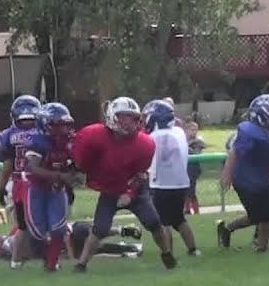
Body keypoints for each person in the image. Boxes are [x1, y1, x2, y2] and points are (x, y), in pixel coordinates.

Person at [71, 97, 177, 272]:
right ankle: (81, 264)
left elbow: (141, 174)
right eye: (124, 117)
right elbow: (80, 159)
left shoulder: (144, 143)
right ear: (113, 116)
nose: (129, 122)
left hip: (134, 187)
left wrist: (130, 193)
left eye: (133, 118)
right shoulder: (95, 135)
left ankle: (167, 255)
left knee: (153, 222)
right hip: (110, 189)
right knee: (100, 228)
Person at [217, 94, 269, 252]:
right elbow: (234, 152)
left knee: (267, 214)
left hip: (263, 177)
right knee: (262, 215)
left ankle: (260, 246)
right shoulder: (248, 131)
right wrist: (227, 174)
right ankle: (230, 230)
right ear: (263, 113)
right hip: (245, 178)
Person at [22, 102, 77, 272]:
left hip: (56, 189)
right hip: (36, 188)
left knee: (58, 229)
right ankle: (47, 257)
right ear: (44, 124)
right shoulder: (37, 140)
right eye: (57, 125)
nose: (63, 129)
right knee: (37, 232)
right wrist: (60, 176)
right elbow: (33, 168)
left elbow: (75, 165)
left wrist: (71, 179)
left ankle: (51, 265)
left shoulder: (70, 141)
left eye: (65, 125)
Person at [145, 100, 200, 257]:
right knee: (179, 219)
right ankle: (193, 249)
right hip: (180, 183)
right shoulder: (179, 132)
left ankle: (169, 253)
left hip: (161, 184)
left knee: (163, 222)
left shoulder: (152, 137)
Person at [0, 94, 41, 268]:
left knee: (21, 223)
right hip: (37, 182)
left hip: (16, 183)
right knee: (34, 221)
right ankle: (29, 252)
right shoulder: (43, 133)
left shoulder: (8, 135)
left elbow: (8, 165)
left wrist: (1, 187)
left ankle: (20, 255)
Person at [0, 220, 143, 263]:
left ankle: (122, 231)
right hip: (60, 245)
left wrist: (67, 253)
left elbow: (60, 233)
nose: (0, 248)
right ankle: (129, 250)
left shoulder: (19, 236)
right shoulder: (19, 247)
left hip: (67, 233)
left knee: (88, 234)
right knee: (94, 250)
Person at [184, 121, 207, 216]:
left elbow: (196, 152)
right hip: (184, 168)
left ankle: (196, 211)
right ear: (186, 130)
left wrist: (188, 148)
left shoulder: (198, 141)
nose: (194, 132)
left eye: (195, 130)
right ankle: (187, 209)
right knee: (184, 190)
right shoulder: (182, 140)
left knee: (191, 191)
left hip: (193, 168)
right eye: (191, 130)